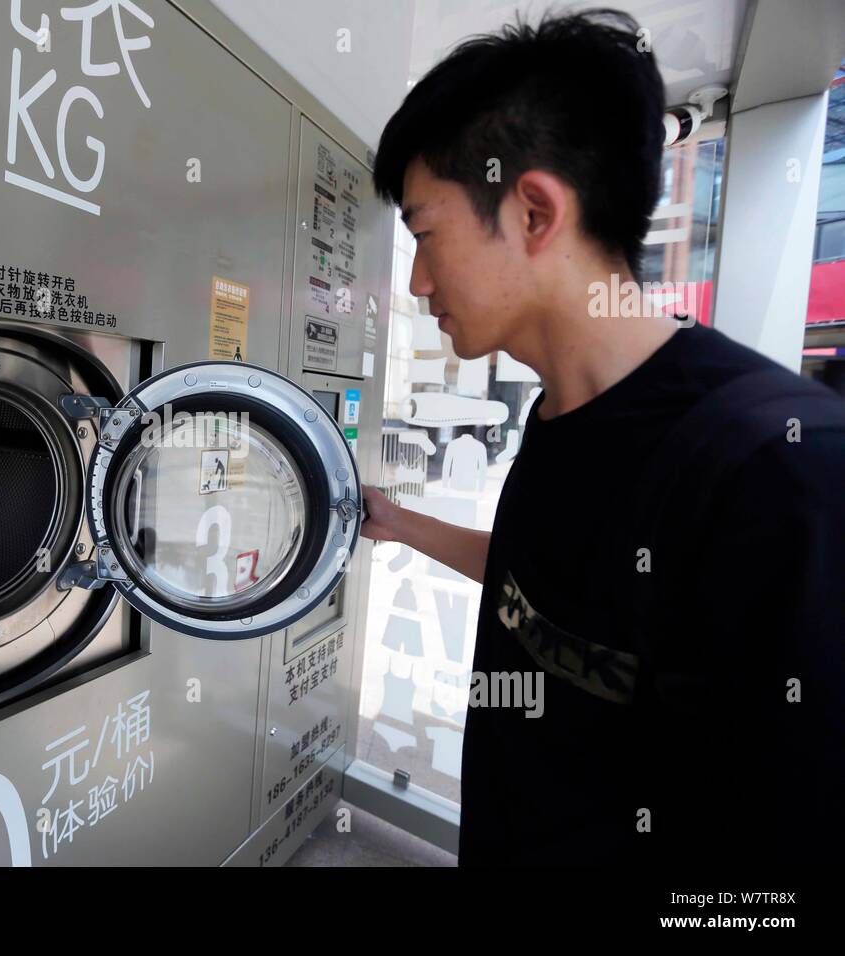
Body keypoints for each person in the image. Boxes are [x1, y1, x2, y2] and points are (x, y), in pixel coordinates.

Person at [361, 7, 845, 866]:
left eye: (427, 233)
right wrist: (397, 524)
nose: (418, 279)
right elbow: (551, 586)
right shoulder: (561, 416)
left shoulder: (775, 471)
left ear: (535, 211)